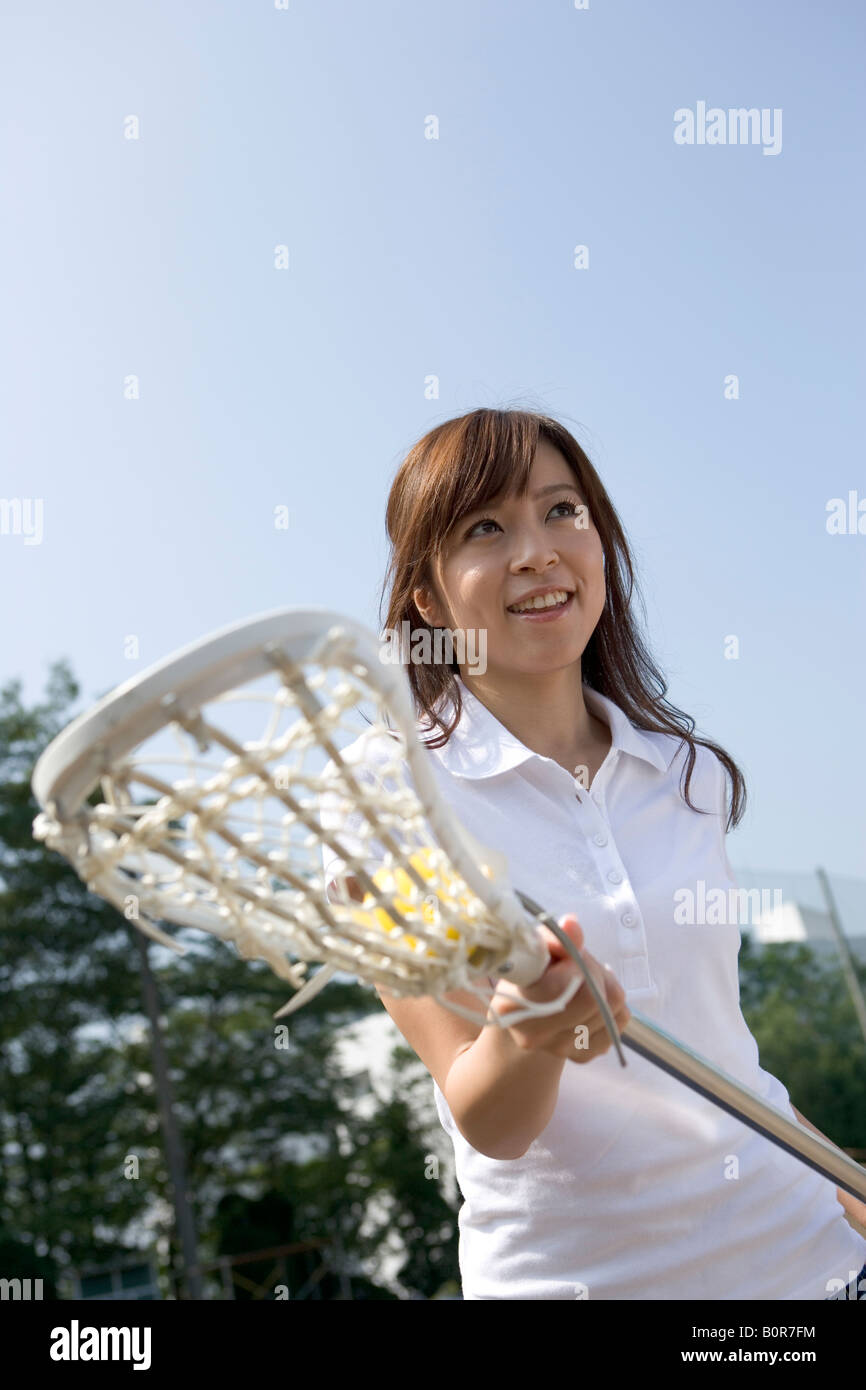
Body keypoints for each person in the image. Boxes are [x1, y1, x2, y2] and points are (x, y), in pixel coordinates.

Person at [323, 406, 866, 1300]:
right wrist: (529, 1032)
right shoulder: (387, 800)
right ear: (425, 597)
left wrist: (851, 1192)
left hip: (808, 1265)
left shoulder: (681, 771)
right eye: (485, 527)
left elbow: (725, 1060)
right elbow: (487, 1119)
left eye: (562, 511)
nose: (536, 550)